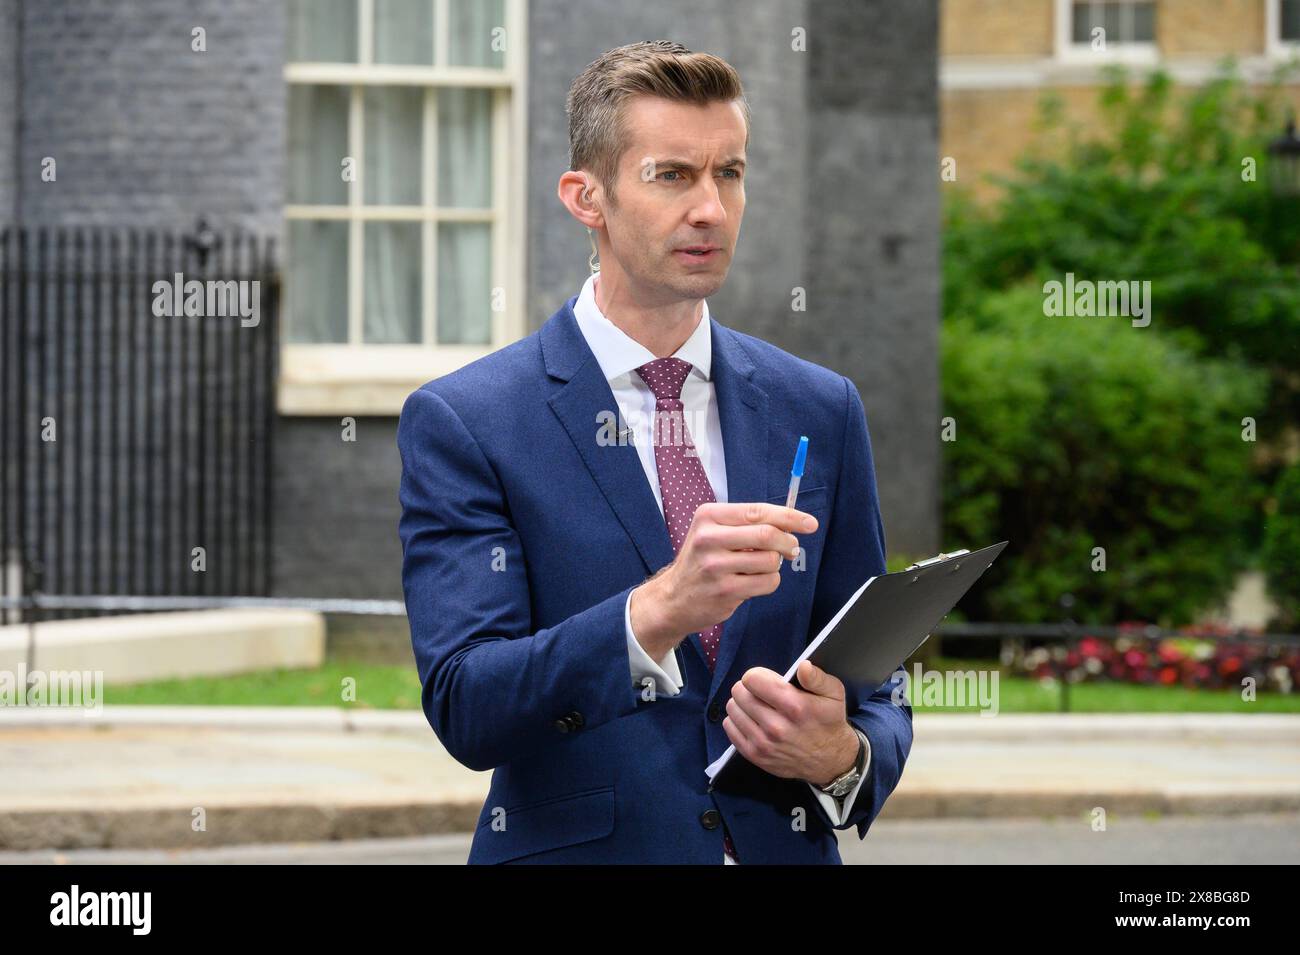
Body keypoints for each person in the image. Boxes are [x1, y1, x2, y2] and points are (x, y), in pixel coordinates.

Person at [397, 40, 911, 864]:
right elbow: (468, 704)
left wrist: (844, 756)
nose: (711, 206)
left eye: (730, 173)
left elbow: (877, 680)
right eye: (673, 175)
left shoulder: (821, 406)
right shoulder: (468, 421)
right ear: (586, 197)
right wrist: (659, 610)